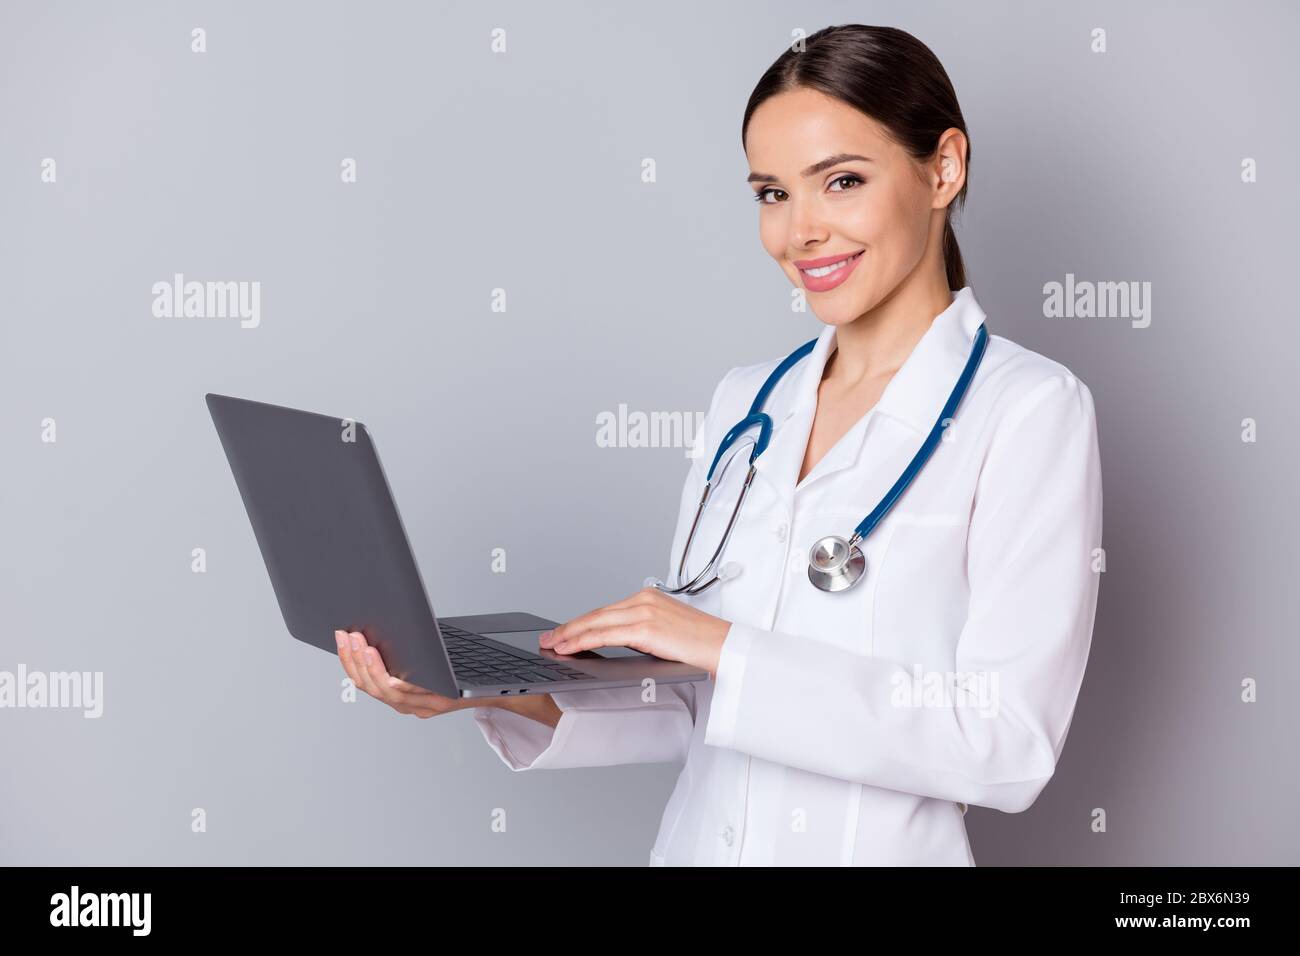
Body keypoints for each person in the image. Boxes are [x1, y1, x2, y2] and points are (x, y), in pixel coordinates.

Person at [335, 23, 1103, 866]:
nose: (800, 231)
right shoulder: (748, 404)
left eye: (840, 181)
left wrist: (727, 648)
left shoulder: (1027, 411)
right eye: (772, 194)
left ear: (942, 169)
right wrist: (491, 693)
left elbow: (1006, 744)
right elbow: (691, 707)